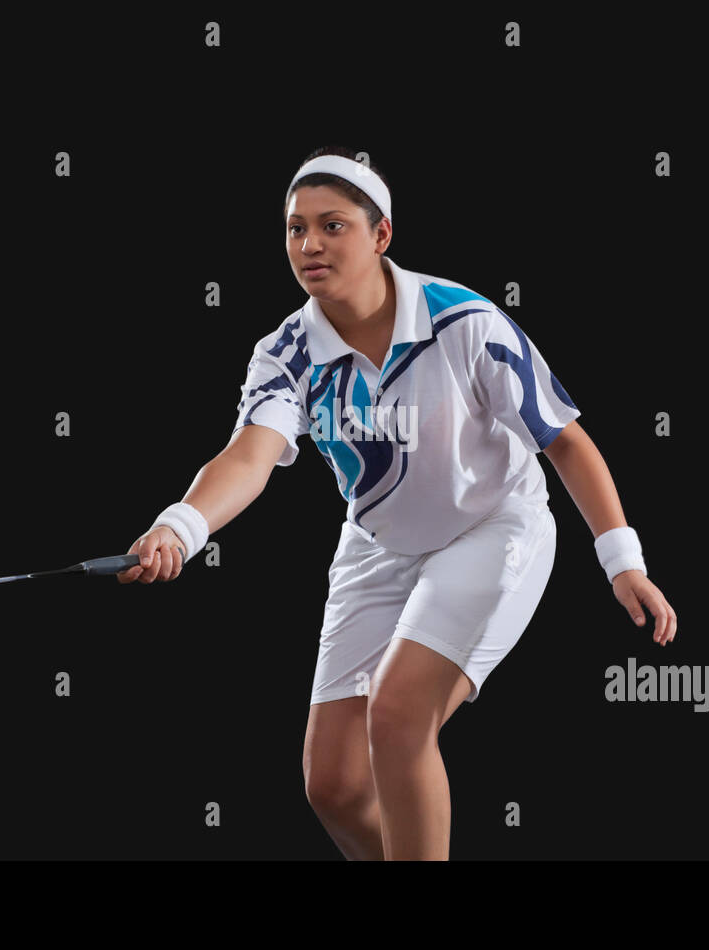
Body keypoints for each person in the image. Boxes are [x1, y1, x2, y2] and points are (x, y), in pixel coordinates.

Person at [117, 145, 678, 860]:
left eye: (333, 225)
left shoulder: (464, 322)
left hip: (492, 527)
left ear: (381, 234)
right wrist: (180, 526)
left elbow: (566, 441)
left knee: (399, 716)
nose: (310, 244)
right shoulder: (286, 353)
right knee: (336, 786)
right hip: (379, 546)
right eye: (295, 228)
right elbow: (251, 455)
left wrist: (621, 561)